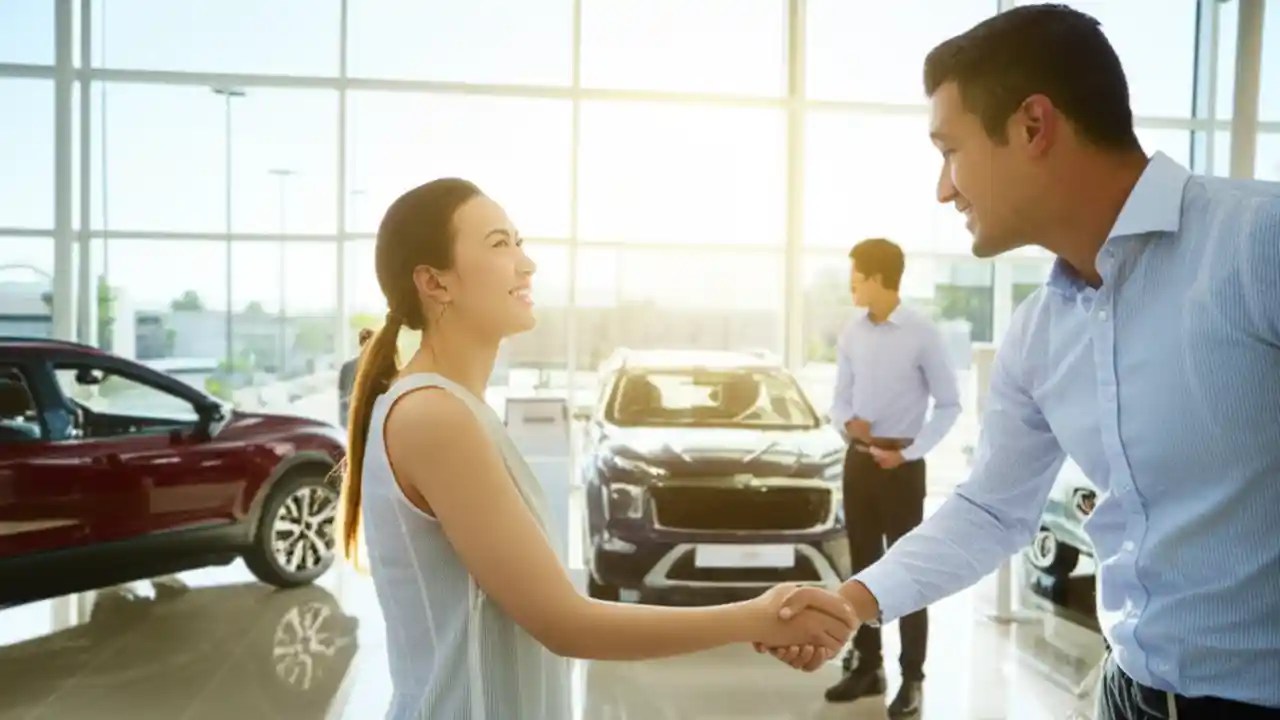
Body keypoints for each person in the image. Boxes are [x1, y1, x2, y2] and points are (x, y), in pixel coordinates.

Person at [765, 5, 1280, 719]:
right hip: (1127, 693)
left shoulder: (1259, 245)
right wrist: (853, 601)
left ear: (1034, 126)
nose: (943, 189)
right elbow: (990, 510)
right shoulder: (1038, 333)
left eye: (950, 150)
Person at [336, 178, 857, 719]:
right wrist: (758, 618)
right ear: (434, 282)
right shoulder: (435, 416)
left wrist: (766, 617)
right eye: (499, 243)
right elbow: (565, 623)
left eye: (519, 241)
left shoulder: (455, 410)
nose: (526, 264)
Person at [823, 238, 960, 715]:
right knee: (862, 570)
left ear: (879, 279)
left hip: (902, 468)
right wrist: (847, 424)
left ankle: (913, 677)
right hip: (859, 463)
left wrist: (909, 453)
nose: (852, 289)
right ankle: (868, 666)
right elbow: (839, 400)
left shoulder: (922, 333)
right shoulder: (852, 332)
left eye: (856, 280)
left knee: (908, 572)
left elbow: (949, 405)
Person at [338, 327, 374, 427]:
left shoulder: (347, 366)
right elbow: (342, 397)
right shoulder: (377, 367)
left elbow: (342, 398)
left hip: (355, 420)